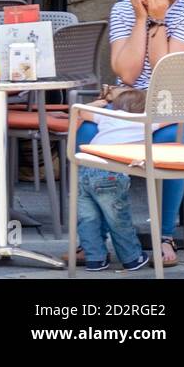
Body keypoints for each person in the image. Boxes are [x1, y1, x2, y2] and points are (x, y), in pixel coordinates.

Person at [78, 0, 184, 267]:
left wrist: (160, 22)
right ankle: (92, 241)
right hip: (127, 102)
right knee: (84, 133)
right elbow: (127, 72)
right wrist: (141, 19)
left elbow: (167, 76)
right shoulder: (124, 10)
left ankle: (164, 234)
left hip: (170, 104)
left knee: (175, 137)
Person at [75, 86, 151, 273]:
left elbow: (79, 111)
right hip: (111, 172)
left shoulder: (107, 116)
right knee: (118, 218)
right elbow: (166, 122)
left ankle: (95, 259)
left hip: (85, 168)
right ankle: (132, 257)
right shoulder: (145, 120)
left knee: (88, 219)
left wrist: (98, 104)